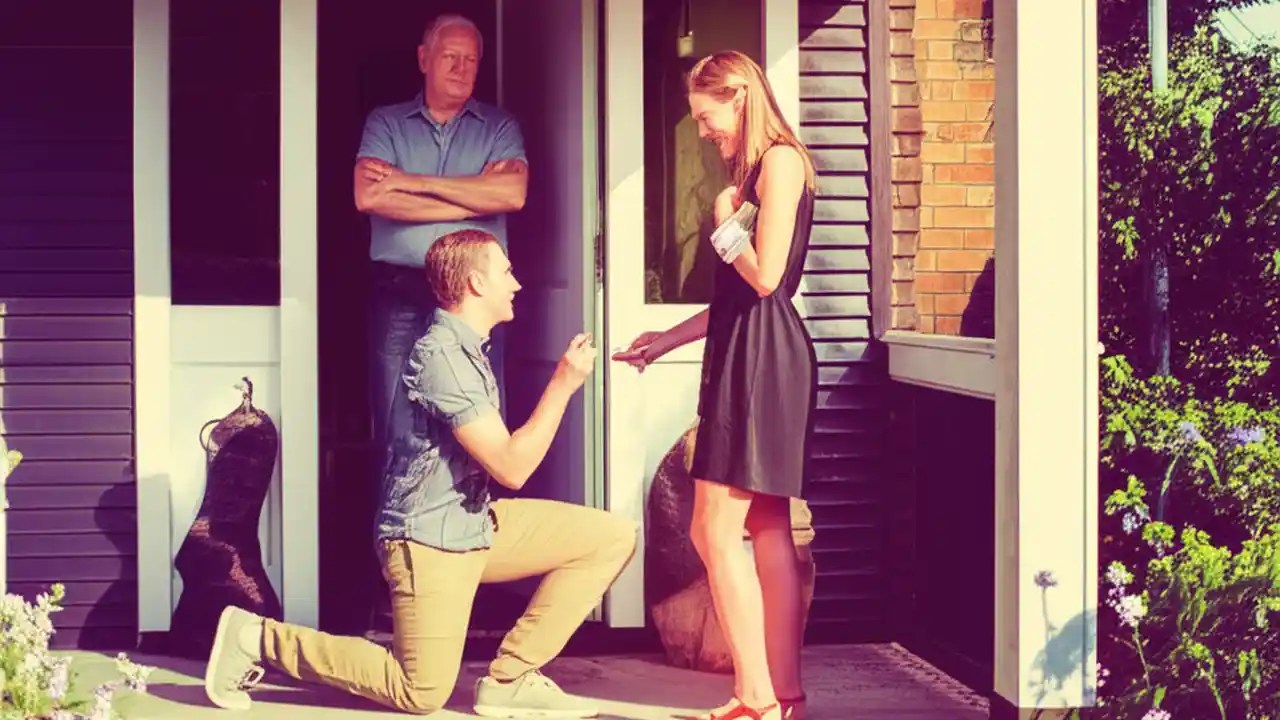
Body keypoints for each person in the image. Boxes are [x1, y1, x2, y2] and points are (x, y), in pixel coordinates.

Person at [204, 229, 637, 718]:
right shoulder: (442, 358)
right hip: (428, 540)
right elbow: (512, 466)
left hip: (472, 524)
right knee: (421, 691)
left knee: (610, 537)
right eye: (507, 273)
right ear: (476, 283)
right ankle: (256, 638)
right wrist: (563, 383)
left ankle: (511, 680)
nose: (517, 284)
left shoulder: (470, 349)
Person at [613, 51, 818, 720]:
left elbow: (765, 278)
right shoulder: (750, 171)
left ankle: (756, 696)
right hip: (746, 345)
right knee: (764, 526)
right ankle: (783, 698)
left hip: (763, 357)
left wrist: (728, 217)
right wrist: (666, 340)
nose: (703, 131)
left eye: (707, 116)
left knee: (710, 529)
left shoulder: (780, 164)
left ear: (738, 96)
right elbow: (737, 298)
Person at [354, 12, 528, 501]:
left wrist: (412, 181)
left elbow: (512, 194)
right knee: (396, 423)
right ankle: (396, 547)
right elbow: (370, 198)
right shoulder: (385, 122)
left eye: (471, 59)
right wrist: (474, 197)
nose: (461, 67)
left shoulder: (499, 126)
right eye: (450, 56)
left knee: (483, 420)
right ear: (423, 59)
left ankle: (479, 548)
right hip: (400, 289)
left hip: (475, 296)